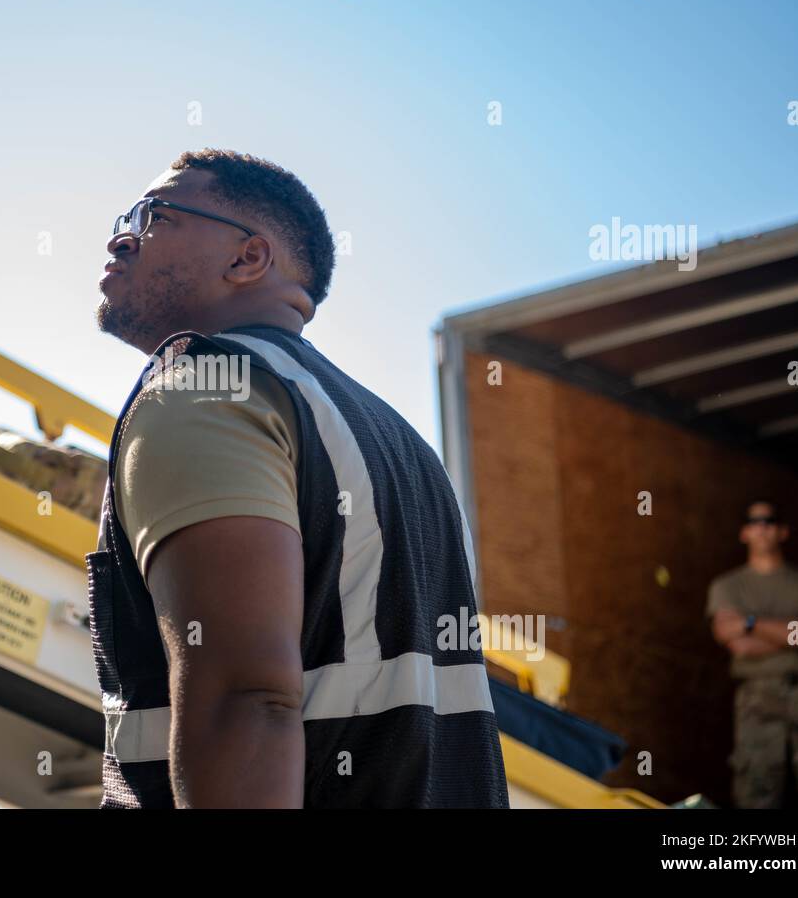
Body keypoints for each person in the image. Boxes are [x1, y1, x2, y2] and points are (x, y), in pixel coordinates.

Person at [86, 148, 508, 808]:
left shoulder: (204, 386)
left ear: (248, 259)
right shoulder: (400, 444)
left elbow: (245, 698)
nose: (121, 235)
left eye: (154, 216)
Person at [707, 500, 798, 808]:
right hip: (757, 698)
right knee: (757, 792)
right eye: (754, 521)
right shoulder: (727, 586)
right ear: (744, 532)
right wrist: (796, 637)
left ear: (783, 531)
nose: (762, 527)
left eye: (769, 520)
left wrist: (750, 624)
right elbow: (734, 642)